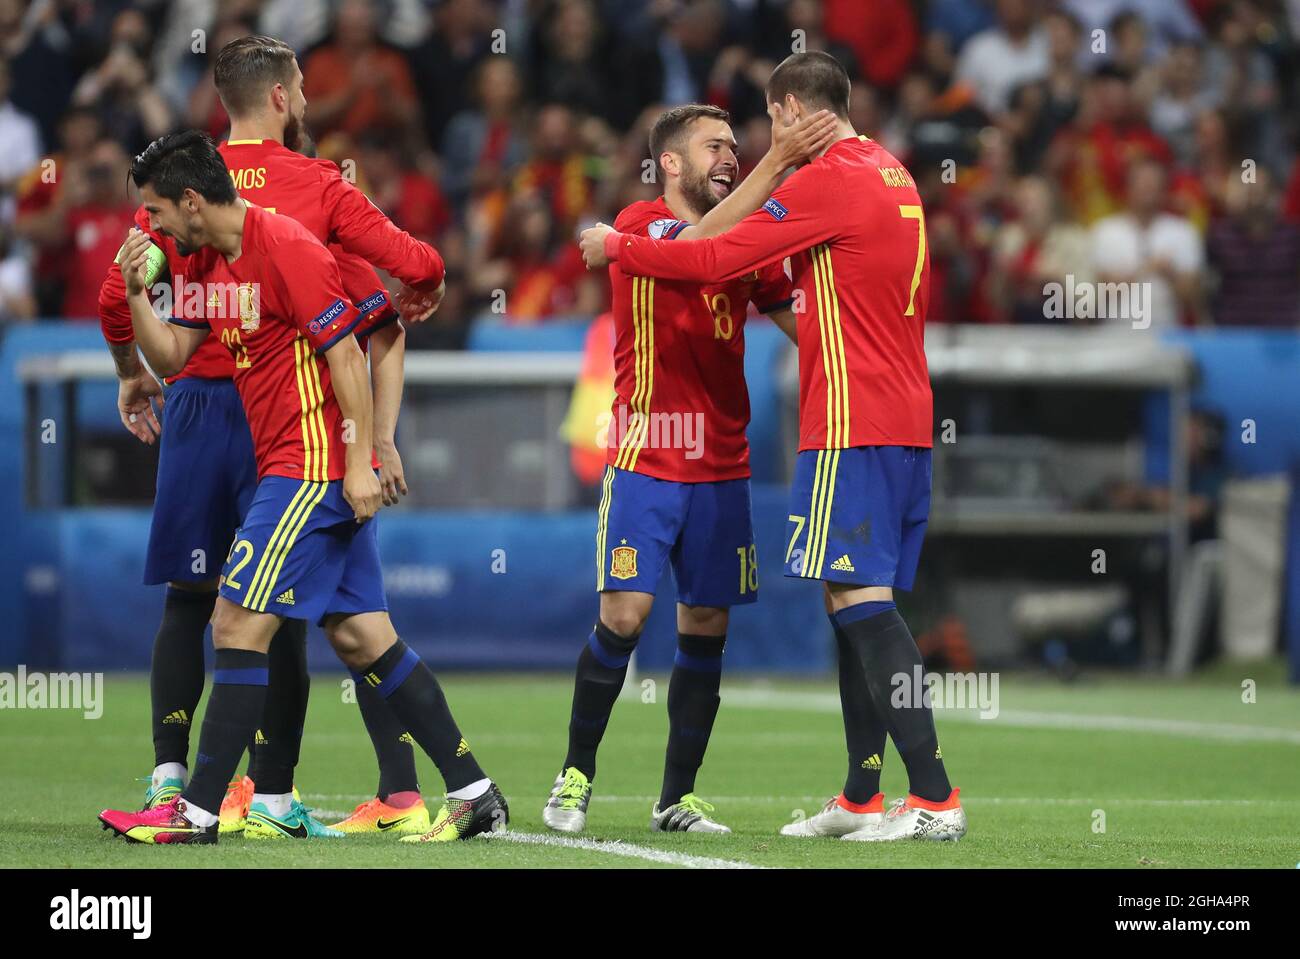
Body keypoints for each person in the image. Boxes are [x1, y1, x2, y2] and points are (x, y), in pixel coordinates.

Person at [580, 51, 965, 843]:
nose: (753, 144)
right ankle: (862, 794)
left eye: (766, 122)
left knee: (859, 600)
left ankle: (931, 796)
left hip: (853, 419)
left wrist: (617, 249)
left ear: (791, 111)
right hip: (904, 416)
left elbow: (711, 254)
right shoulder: (893, 173)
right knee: (852, 597)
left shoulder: (826, 179)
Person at [98, 132, 506, 845]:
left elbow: (345, 353)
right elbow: (169, 354)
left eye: (159, 212)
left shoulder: (284, 245)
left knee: (233, 622)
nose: (153, 228)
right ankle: (475, 789)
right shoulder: (217, 268)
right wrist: (136, 294)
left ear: (193, 201)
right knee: (360, 634)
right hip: (299, 465)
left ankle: (195, 813)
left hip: (309, 467)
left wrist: (358, 461)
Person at [544, 101, 834, 834]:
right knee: (625, 615)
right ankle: (574, 777)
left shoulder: (746, 242)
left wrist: (852, 349)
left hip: (722, 465)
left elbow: (801, 324)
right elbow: (699, 245)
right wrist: (779, 160)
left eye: (736, 146)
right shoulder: (639, 224)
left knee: (706, 625)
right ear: (670, 163)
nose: (731, 156)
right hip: (646, 455)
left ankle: (676, 796)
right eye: (715, 146)